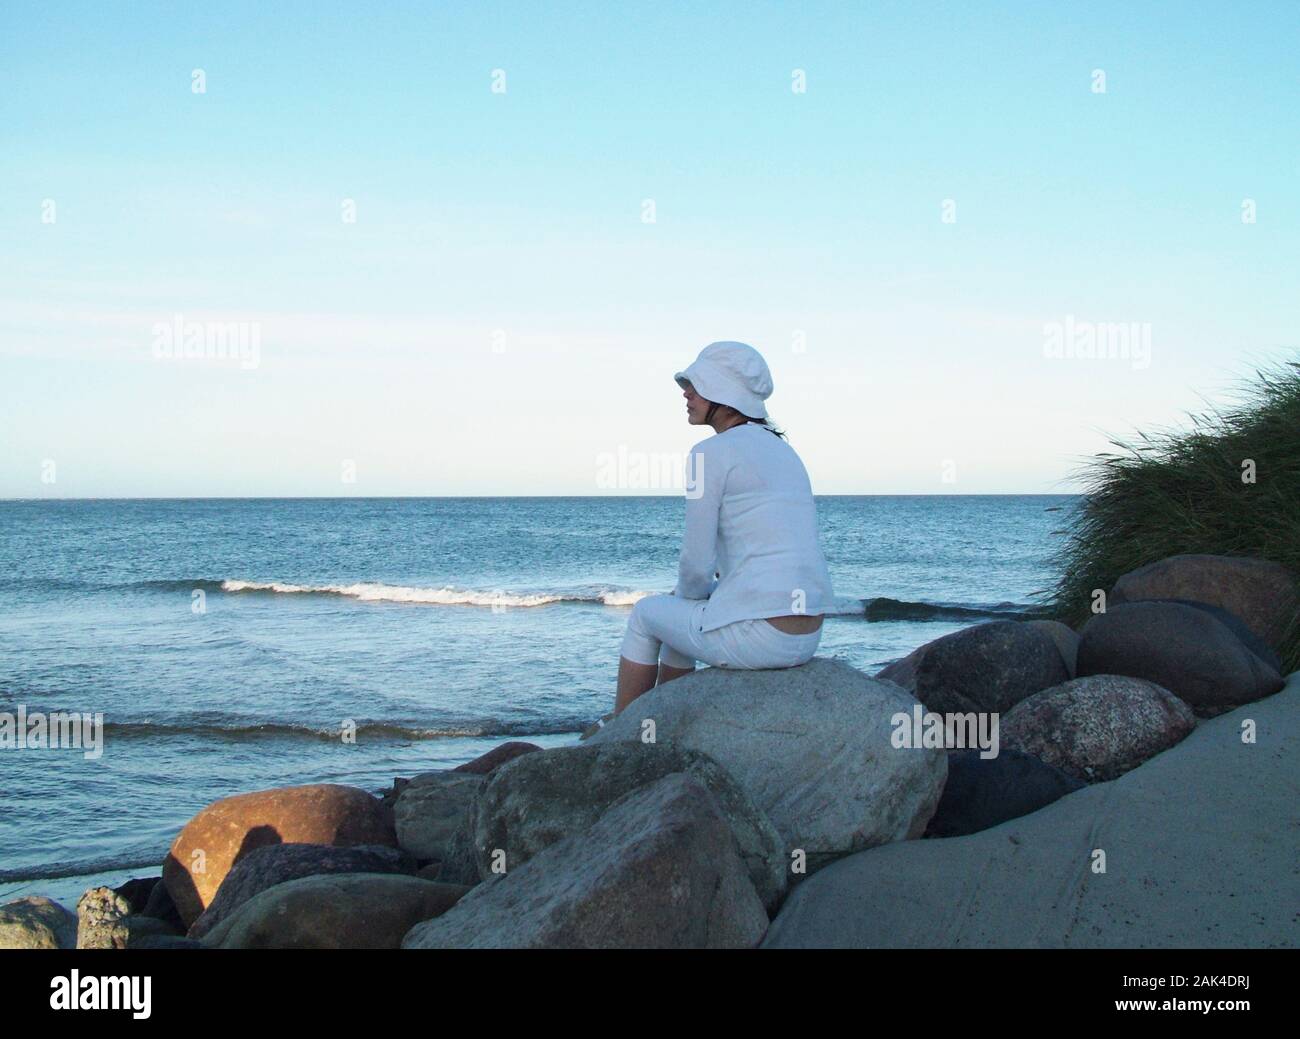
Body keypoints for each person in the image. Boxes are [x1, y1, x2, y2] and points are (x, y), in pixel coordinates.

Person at [611, 340, 836, 715]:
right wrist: (690, 597)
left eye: (696, 385)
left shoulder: (708, 455)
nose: (685, 392)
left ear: (722, 393)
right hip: (807, 635)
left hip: (760, 637)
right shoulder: (786, 452)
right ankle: (663, 720)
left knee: (646, 615)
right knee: (683, 608)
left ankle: (623, 731)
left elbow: (697, 563)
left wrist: (688, 596)